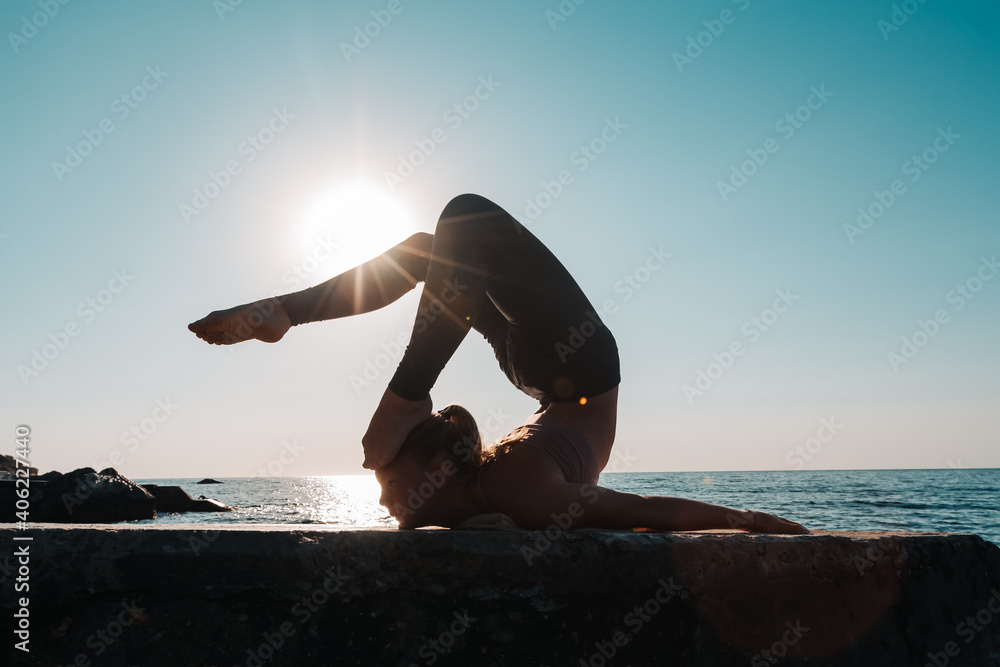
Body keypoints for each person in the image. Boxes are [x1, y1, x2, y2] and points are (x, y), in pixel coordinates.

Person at [189, 194, 808, 535]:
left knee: (431, 250)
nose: (382, 501)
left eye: (384, 485)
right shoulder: (512, 495)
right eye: (385, 483)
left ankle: (287, 313)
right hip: (580, 365)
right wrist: (762, 525)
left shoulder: (498, 493)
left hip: (543, 372)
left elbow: (643, 512)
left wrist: (766, 527)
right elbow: (646, 512)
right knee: (460, 221)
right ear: (436, 468)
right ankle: (359, 361)